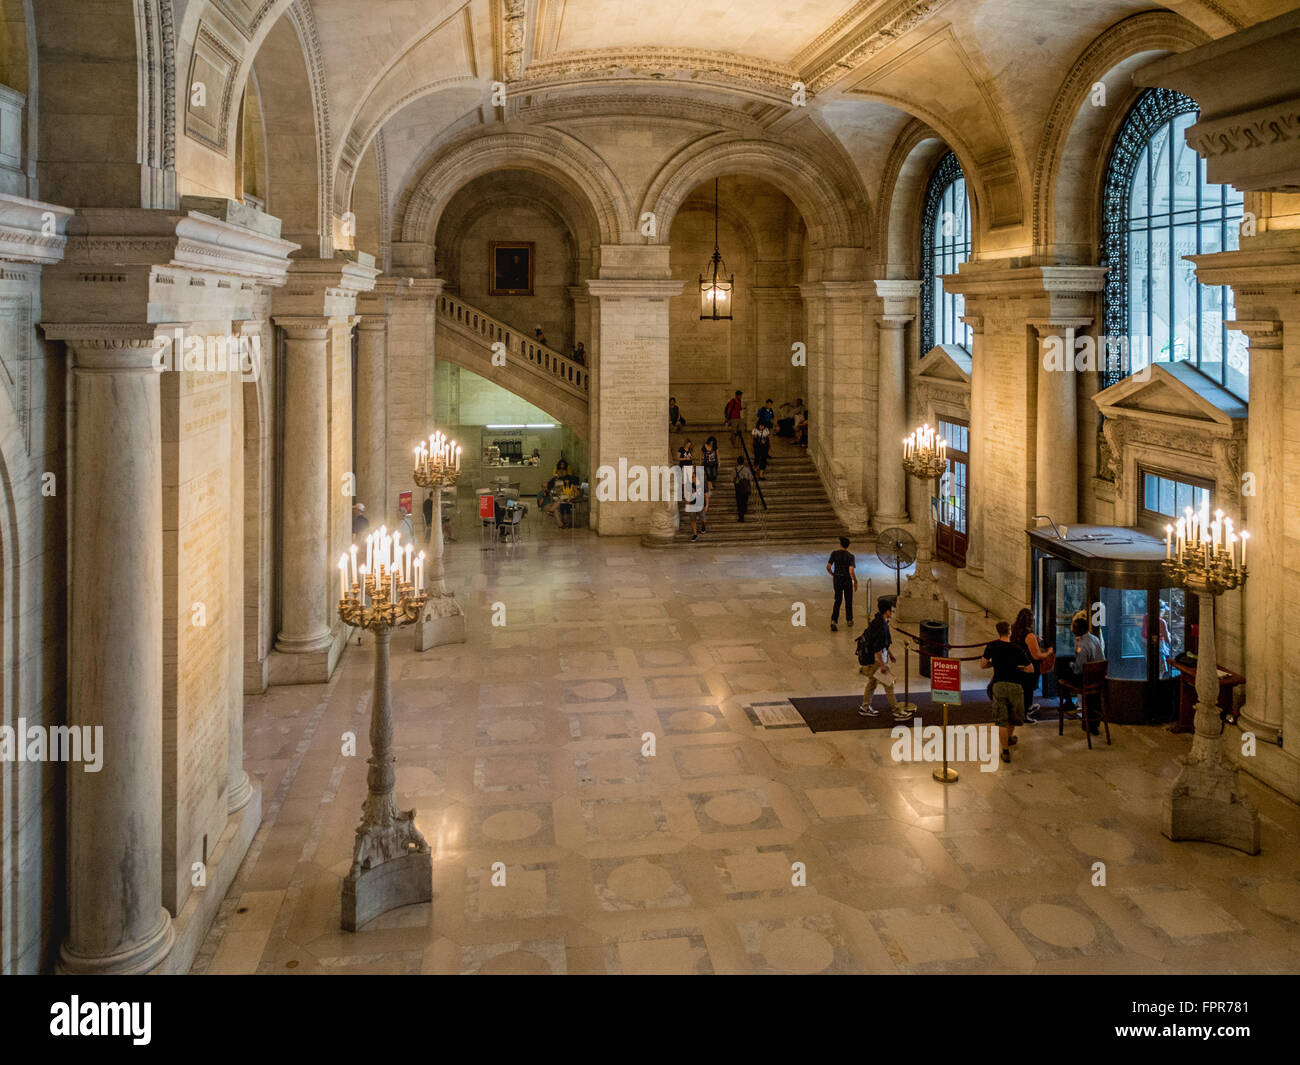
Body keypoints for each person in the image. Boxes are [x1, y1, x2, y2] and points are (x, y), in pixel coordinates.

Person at [980, 620, 1036, 762]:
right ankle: (1010, 738)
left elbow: (983, 664)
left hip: (999, 685)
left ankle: (1005, 751)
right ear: (1010, 631)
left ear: (998, 631)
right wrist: (1018, 668)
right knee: (1013, 716)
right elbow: (1030, 669)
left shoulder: (992, 646)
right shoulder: (1017, 648)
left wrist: (996, 663)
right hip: (1015, 686)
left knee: (1001, 720)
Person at [1055, 615, 1106, 734]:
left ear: (1080, 629)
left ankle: (1068, 702)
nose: (1072, 630)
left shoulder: (1082, 646)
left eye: (1074, 628)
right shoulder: (1095, 639)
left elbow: (1078, 670)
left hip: (1085, 680)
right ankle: (1093, 723)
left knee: (1061, 672)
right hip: (1098, 680)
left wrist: (1072, 664)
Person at [858, 598, 904, 718]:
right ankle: (896, 710)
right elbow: (878, 647)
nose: (893, 612)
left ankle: (865, 706)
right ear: (887, 611)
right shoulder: (881, 625)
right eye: (891, 610)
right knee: (889, 685)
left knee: (872, 683)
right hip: (877, 660)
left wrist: (890, 653)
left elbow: (882, 643)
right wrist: (883, 664)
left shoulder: (878, 621)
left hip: (875, 659)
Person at [1009, 607, 1051, 721]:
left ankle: (1022, 709)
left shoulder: (1013, 630)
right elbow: (1037, 655)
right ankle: (1025, 714)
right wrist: (1048, 653)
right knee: (1028, 690)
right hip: (1029, 667)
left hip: (1017, 665)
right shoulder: (1029, 635)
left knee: (1022, 689)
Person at [827, 536, 857, 632]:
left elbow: (828, 566)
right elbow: (851, 570)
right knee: (848, 600)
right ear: (847, 546)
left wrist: (833, 574)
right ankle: (849, 620)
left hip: (837, 579)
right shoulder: (851, 556)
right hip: (847, 580)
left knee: (838, 600)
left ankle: (834, 620)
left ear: (840, 544)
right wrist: (855, 581)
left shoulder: (834, 553)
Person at [733, 456, 754, 522]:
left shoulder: (735, 469)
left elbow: (732, 479)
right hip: (745, 488)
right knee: (745, 500)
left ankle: (741, 517)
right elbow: (750, 479)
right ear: (743, 462)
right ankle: (744, 510)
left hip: (738, 488)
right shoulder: (747, 469)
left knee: (739, 502)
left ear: (737, 462)